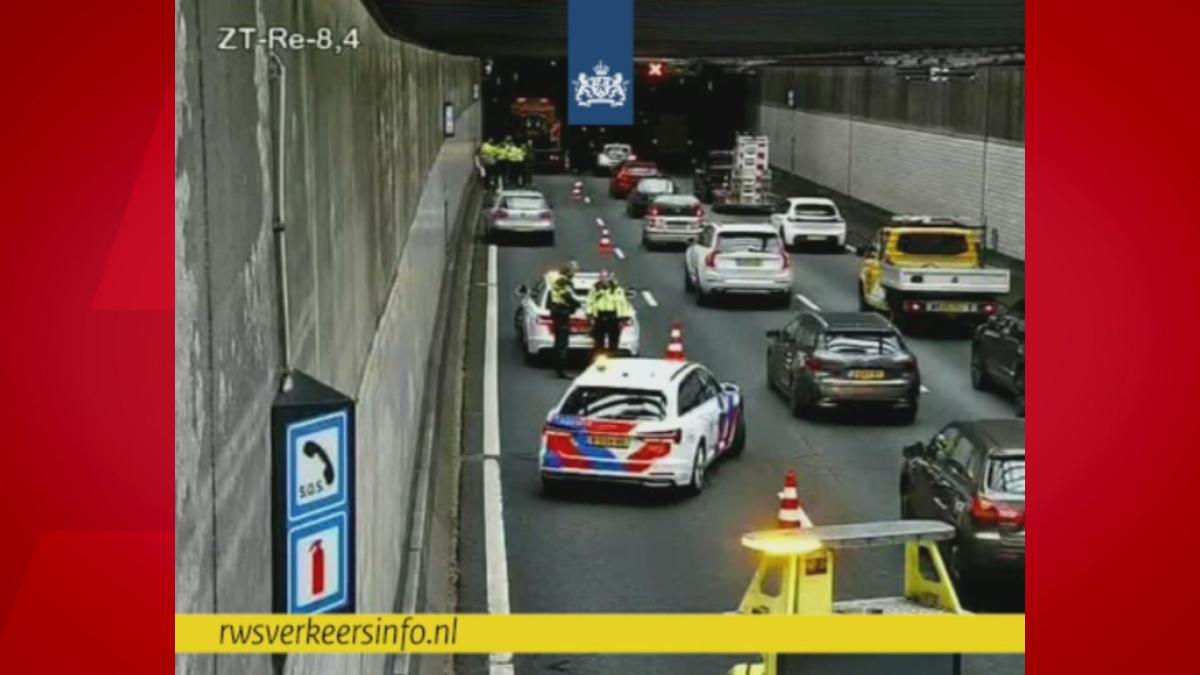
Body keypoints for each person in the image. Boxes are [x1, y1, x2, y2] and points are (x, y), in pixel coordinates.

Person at [586, 271, 632, 360]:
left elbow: (622, 303)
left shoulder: (616, 289)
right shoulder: (595, 289)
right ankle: (598, 360)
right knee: (598, 342)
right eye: (601, 277)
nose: (603, 279)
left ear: (609, 278)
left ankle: (612, 358)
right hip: (599, 316)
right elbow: (590, 302)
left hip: (613, 317)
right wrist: (590, 314)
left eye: (605, 277)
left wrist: (623, 318)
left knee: (613, 341)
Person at [547, 266, 581, 378]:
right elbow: (566, 296)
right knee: (562, 343)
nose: (573, 275)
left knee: (559, 342)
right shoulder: (562, 281)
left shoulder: (558, 281)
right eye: (572, 273)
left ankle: (558, 368)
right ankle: (561, 371)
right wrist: (577, 304)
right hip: (561, 314)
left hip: (558, 313)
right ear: (567, 273)